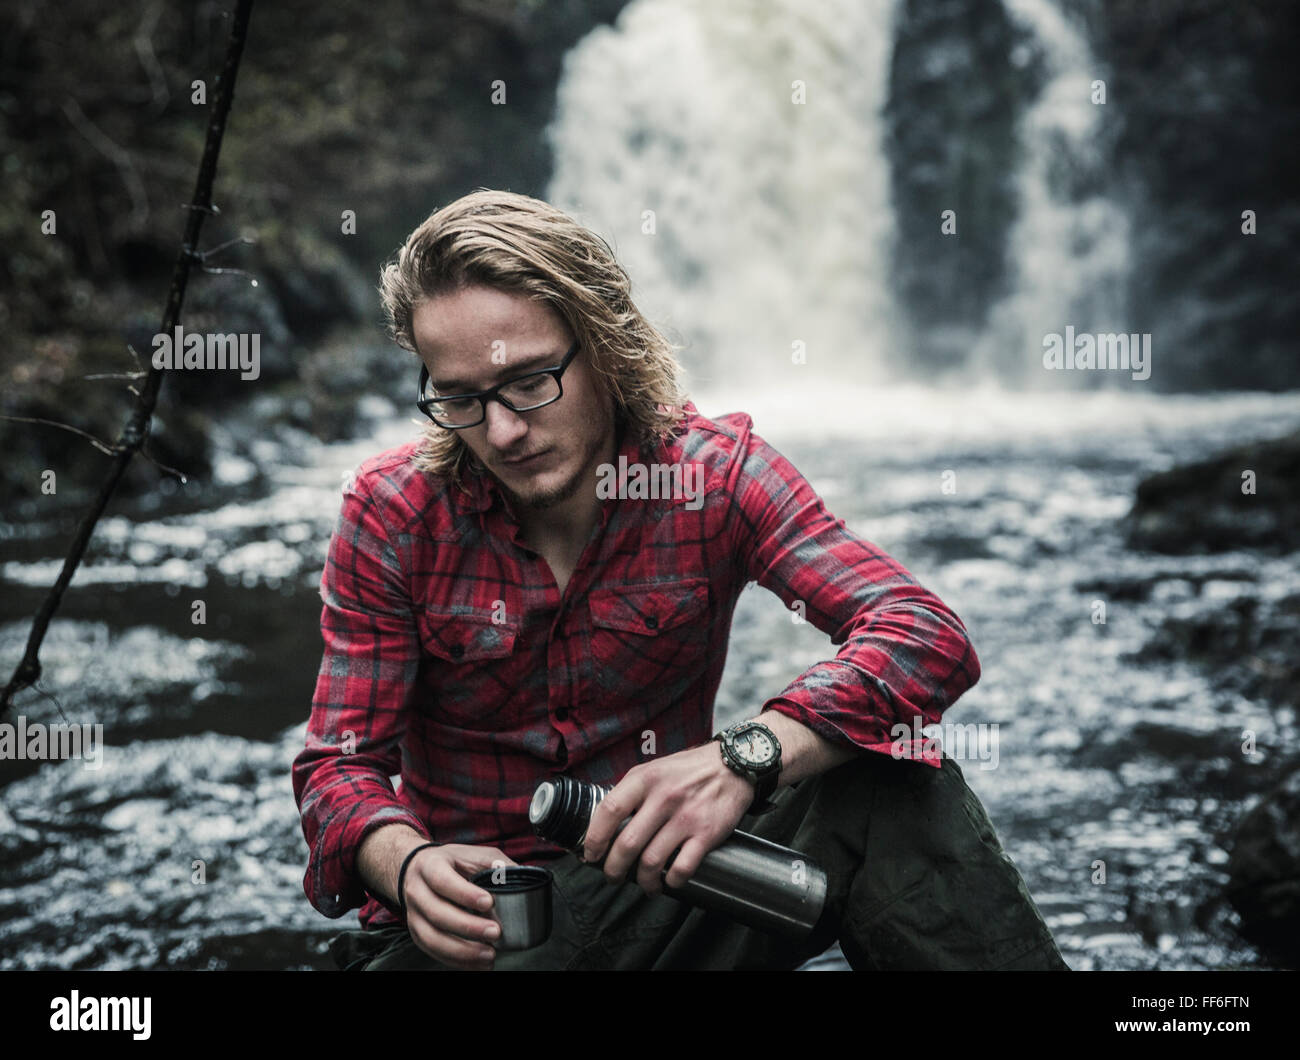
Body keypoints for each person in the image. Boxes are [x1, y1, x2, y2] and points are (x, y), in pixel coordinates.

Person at [291, 189, 1069, 971]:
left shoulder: (714, 478)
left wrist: (750, 754)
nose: (502, 431)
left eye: (530, 383)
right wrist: (404, 863)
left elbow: (921, 631)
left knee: (891, 777)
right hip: (477, 942)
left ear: (604, 347)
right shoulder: (392, 512)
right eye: (461, 398)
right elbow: (338, 766)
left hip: (669, 897)